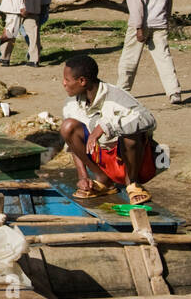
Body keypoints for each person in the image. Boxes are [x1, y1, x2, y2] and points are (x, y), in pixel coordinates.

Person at [60, 54, 159, 204]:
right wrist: (83, 177)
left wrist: (105, 126)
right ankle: (103, 180)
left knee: (131, 133)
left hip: (134, 161)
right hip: (103, 160)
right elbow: (73, 146)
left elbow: (149, 119)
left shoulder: (116, 96)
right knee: (68, 127)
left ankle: (132, 184)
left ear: (82, 81)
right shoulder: (71, 104)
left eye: (67, 80)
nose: (64, 83)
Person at [118, 0, 182, 105]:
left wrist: (139, 27)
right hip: (159, 21)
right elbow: (168, 0)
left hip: (141, 24)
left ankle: (122, 90)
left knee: (129, 58)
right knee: (164, 57)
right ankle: (174, 92)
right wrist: (166, 17)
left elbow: (136, 6)